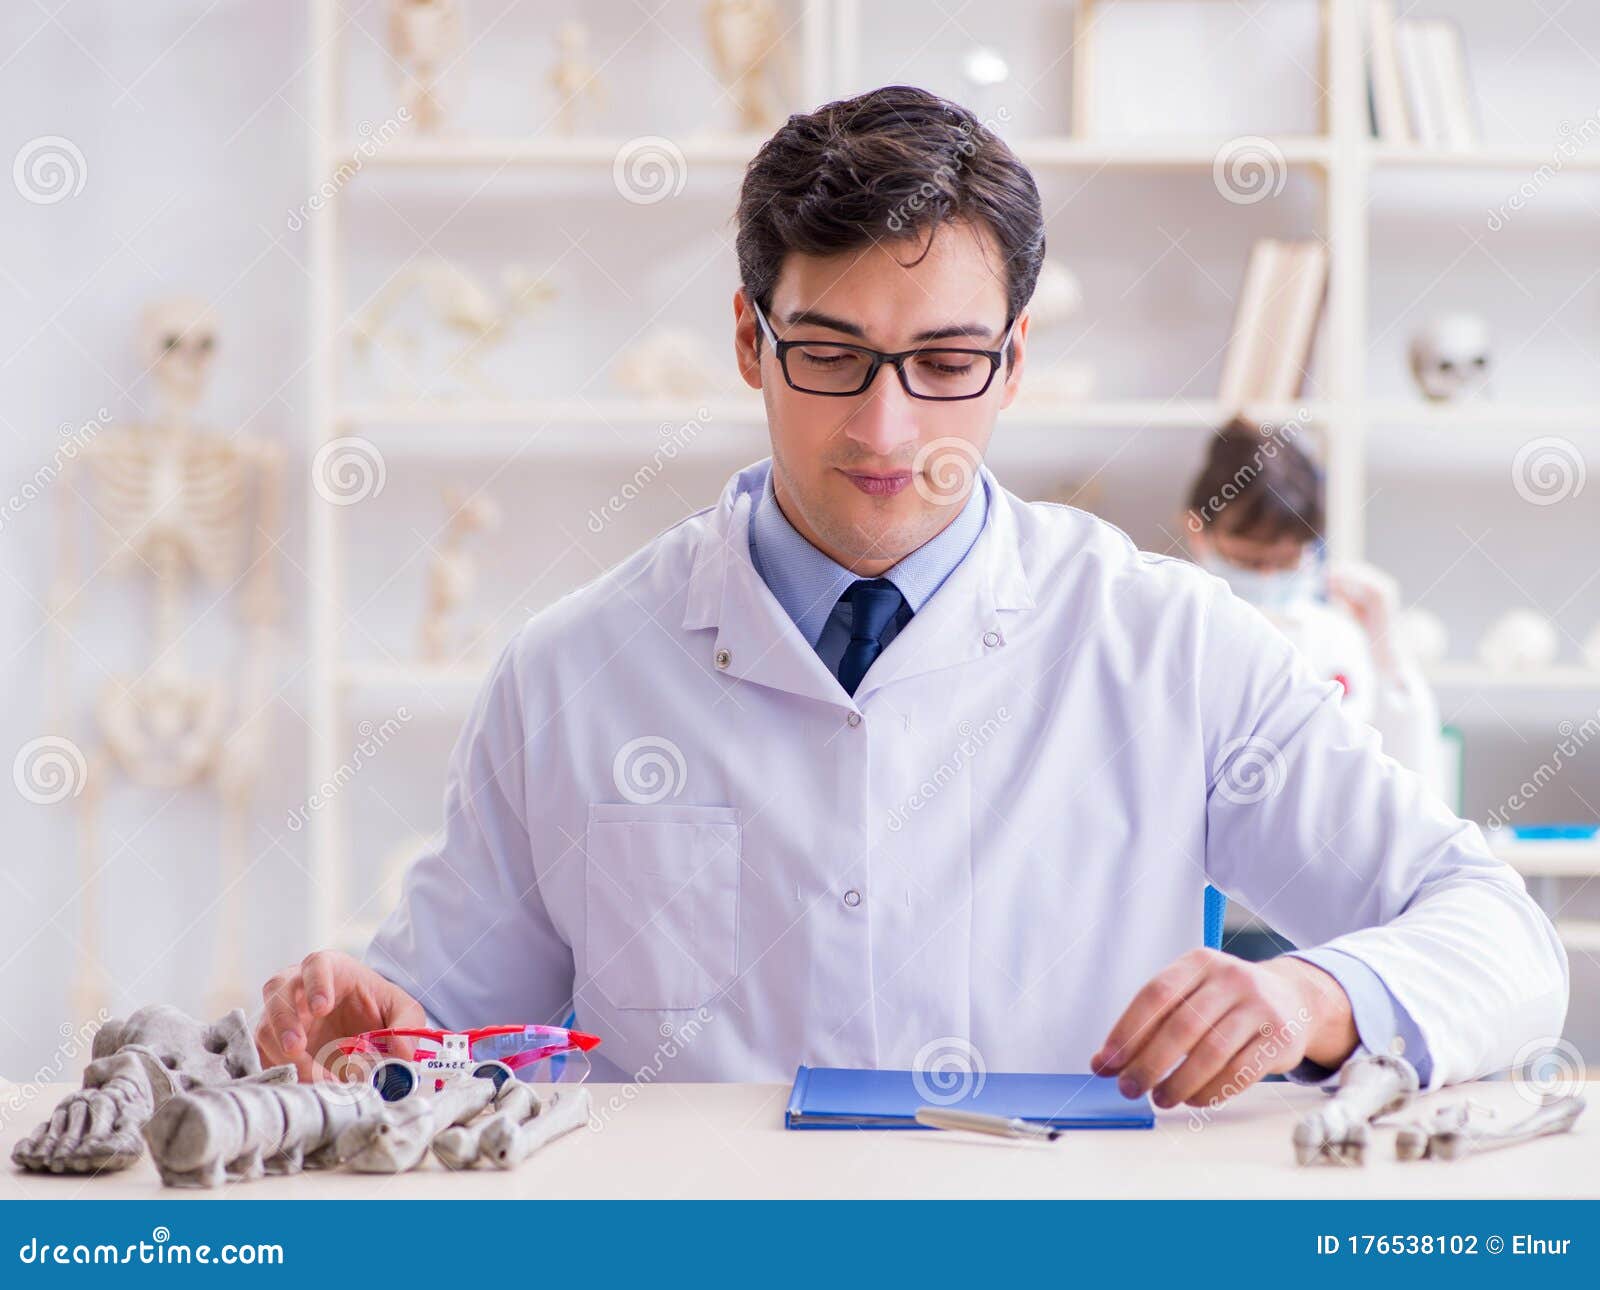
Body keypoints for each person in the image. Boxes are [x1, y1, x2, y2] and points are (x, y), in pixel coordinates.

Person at [257, 86, 1566, 1111]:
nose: (886, 426)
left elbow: (1501, 938)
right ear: (746, 341)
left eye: (944, 360)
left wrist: (1313, 997)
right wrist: (389, 1029)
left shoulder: (1169, 646)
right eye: (829, 353)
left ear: (1013, 364)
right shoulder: (572, 670)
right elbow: (453, 1033)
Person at [1183, 421, 1444, 792]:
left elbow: (1409, 779)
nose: (1268, 576)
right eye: (1248, 560)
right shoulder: (1171, 628)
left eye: (1287, 560)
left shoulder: (1337, 636)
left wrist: (1386, 645)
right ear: (1196, 528)